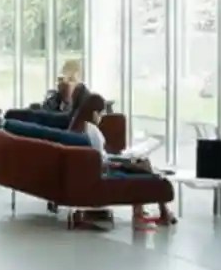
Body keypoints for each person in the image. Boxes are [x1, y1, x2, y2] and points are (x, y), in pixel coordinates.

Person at [69, 94, 175, 229]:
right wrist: (118, 162)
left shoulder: (80, 127)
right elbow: (99, 159)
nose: (101, 118)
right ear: (94, 112)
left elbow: (97, 156)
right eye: (101, 114)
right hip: (106, 170)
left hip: (102, 167)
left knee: (143, 164)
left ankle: (145, 213)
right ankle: (157, 213)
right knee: (146, 168)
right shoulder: (91, 130)